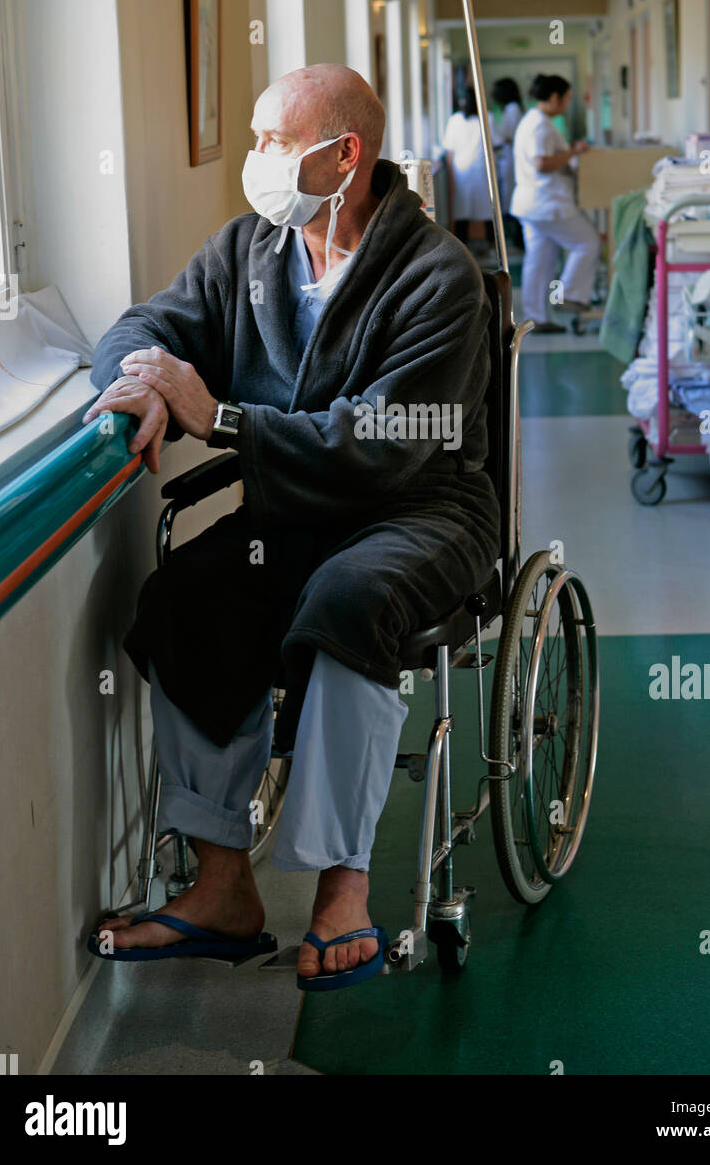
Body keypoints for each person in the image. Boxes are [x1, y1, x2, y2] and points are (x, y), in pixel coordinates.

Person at [82, 64, 500, 989]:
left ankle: (342, 888)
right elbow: (148, 322)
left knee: (347, 601)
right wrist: (142, 375)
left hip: (419, 511)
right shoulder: (250, 250)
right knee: (184, 598)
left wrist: (223, 418)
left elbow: (385, 445)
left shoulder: (438, 276)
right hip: (290, 513)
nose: (257, 158)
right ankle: (221, 890)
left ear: (344, 154)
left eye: (274, 140)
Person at [511, 73, 601, 332]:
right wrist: (574, 151)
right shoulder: (541, 126)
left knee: (539, 261)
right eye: (566, 99)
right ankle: (571, 294)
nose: (566, 104)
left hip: (531, 204)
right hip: (548, 204)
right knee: (588, 242)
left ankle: (536, 318)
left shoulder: (531, 120)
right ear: (554, 97)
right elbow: (542, 163)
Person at [442, 85, 495, 248]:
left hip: (464, 171)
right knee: (483, 209)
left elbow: (449, 151)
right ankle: (492, 244)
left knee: (464, 209)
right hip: (477, 171)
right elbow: (495, 143)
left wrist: (450, 175)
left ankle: (462, 246)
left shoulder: (456, 120)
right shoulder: (486, 117)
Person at [490, 77, 523, 217]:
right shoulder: (510, 108)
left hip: (510, 155)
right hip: (507, 154)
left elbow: (509, 136)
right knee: (506, 190)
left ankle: (511, 224)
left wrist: (497, 137)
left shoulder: (512, 108)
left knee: (508, 191)